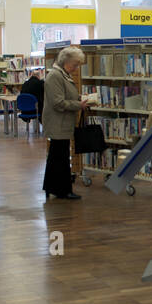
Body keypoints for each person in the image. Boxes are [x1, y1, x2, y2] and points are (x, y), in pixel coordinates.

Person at [42, 47, 97, 200]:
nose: (76, 68)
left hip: (63, 123)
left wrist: (81, 98)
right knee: (59, 157)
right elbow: (58, 102)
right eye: (75, 64)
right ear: (66, 62)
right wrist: (78, 105)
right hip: (57, 123)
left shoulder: (63, 75)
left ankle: (57, 188)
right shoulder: (55, 76)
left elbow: (66, 95)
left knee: (59, 156)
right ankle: (61, 190)